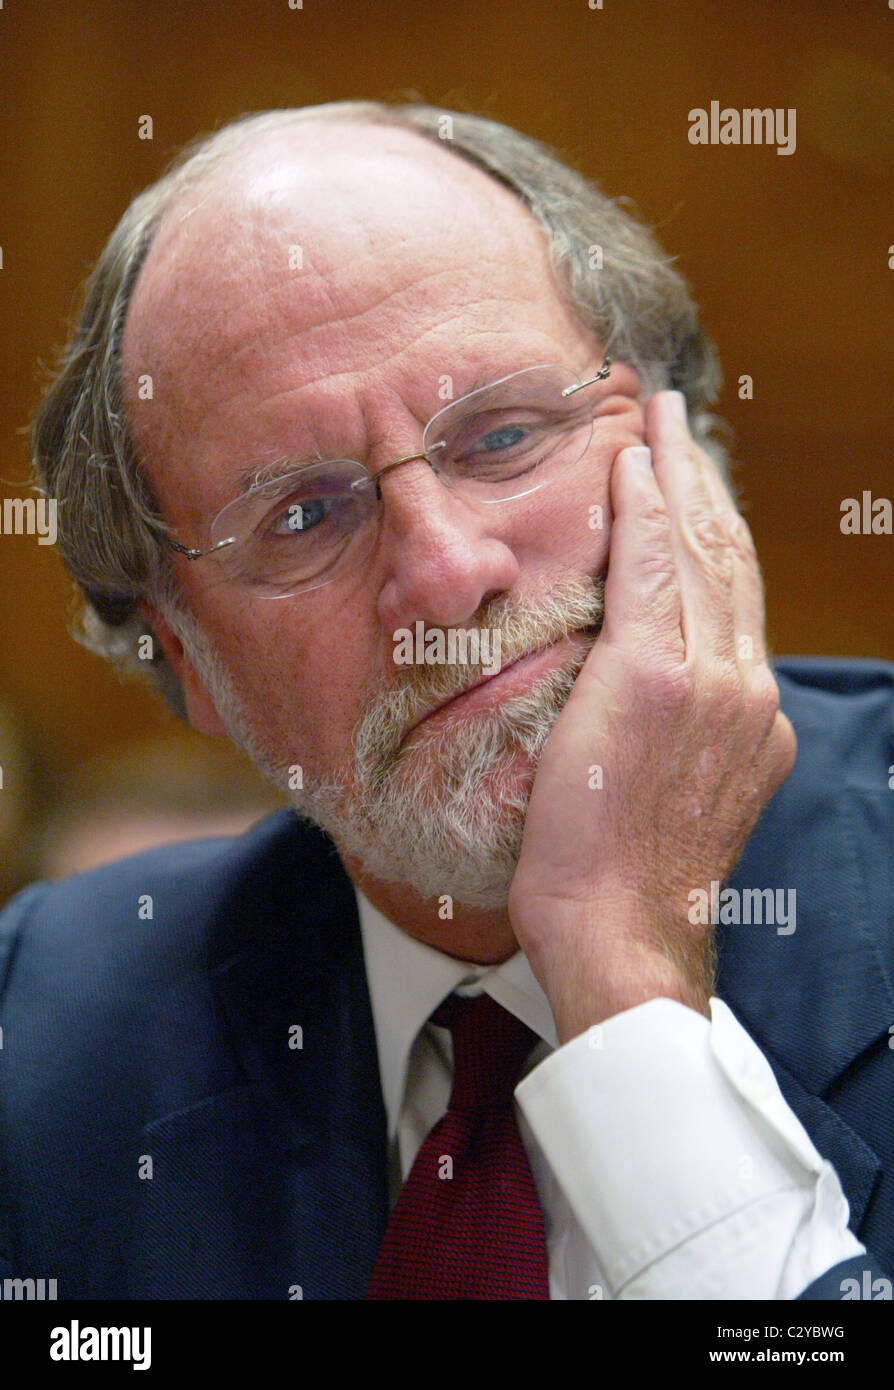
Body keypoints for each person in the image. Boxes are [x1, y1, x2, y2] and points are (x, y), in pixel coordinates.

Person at [0, 101, 891, 1302]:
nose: (445, 573)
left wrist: (623, 984)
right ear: (187, 657)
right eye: (305, 514)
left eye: (504, 435)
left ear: (677, 457)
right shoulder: (45, 1044)